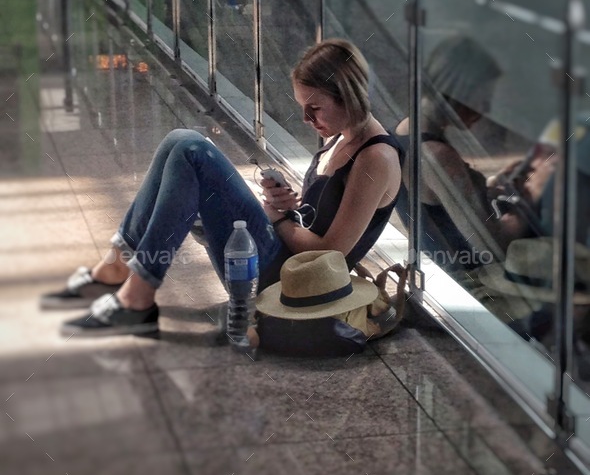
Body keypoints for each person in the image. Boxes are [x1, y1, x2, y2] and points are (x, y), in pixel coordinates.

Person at [41, 39, 402, 337]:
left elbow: (328, 254)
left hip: (294, 284)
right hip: (280, 257)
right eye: (303, 108)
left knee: (191, 150)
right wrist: (287, 206)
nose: (307, 120)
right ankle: (117, 267)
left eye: (315, 108)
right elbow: (318, 218)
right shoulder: (339, 137)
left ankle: (135, 298)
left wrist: (275, 217)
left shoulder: (376, 158)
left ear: (349, 96)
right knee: (178, 141)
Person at [394, 35, 551, 272]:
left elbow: (442, 203)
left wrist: (495, 184)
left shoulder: (405, 129)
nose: (486, 108)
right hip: (473, 279)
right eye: (483, 98)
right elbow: (494, 247)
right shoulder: (436, 156)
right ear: (460, 91)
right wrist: (531, 197)